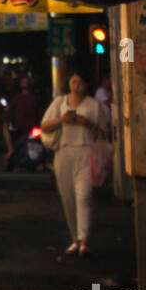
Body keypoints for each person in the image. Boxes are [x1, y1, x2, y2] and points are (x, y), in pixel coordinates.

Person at [41, 70, 108, 258]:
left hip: (86, 152)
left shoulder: (94, 105)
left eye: (79, 82)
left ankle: (84, 239)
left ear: (86, 85)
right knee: (68, 198)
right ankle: (75, 239)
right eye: (73, 81)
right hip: (63, 152)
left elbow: (103, 133)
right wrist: (63, 119)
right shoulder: (60, 103)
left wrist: (86, 123)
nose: (75, 85)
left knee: (84, 195)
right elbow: (44, 125)